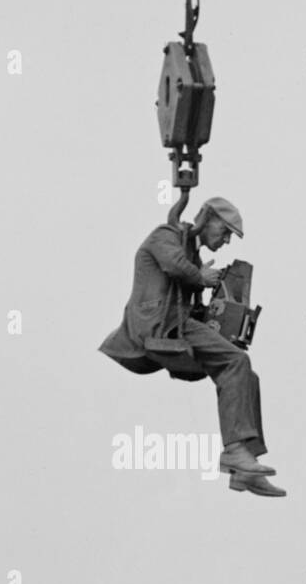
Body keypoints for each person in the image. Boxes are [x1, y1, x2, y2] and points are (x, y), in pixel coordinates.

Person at [99, 196, 286, 497]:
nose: (225, 240)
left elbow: (184, 278)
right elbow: (173, 266)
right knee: (236, 361)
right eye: (224, 231)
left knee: (245, 374)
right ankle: (234, 451)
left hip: (178, 324)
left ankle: (245, 466)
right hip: (160, 325)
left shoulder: (190, 252)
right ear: (207, 218)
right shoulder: (167, 235)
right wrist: (201, 277)